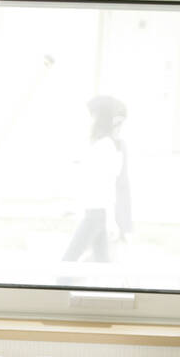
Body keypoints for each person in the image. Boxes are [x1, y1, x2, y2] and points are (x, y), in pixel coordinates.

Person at [61, 96, 129, 263]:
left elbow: (107, 184)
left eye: (92, 116)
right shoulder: (99, 145)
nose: (89, 121)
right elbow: (89, 182)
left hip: (96, 214)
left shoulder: (105, 146)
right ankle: (116, 287)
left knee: (67, 264)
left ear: (99, 119)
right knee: (102, 264)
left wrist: (112, 220)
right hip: (94, 212)